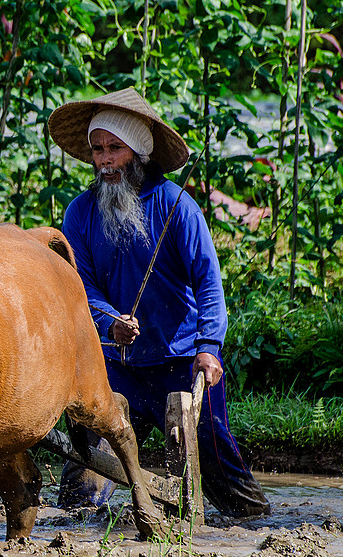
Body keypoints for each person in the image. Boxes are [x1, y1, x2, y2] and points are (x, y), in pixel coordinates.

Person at [43, 86, 270, 518]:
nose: (105, 159)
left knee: (222, 472)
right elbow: (82, 288)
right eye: (97, 150)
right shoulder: (80, 213)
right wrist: (109, 321)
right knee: (84, 470)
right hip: (118, 366)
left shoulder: (177, 207)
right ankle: (74, 530)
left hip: (179, 364)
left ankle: (256, 523)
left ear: (139, 153)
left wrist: (209, 347)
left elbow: (207, 281)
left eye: (115, 148)